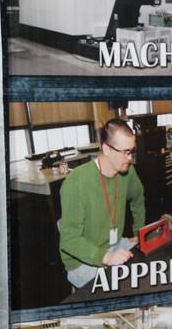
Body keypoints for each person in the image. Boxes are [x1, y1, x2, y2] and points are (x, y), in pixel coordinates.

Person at [59, 119, 145, 289]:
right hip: (82, 260)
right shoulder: (76, 182)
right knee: (124, 289)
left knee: (148, 261)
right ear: (106, 149)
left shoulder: (127, 171)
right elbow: (68, 241)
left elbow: (138, 197)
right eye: (125, 152)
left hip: (114, 243)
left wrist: (138, 232)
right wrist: (105, 257)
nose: (130, 158)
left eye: (132, 151)